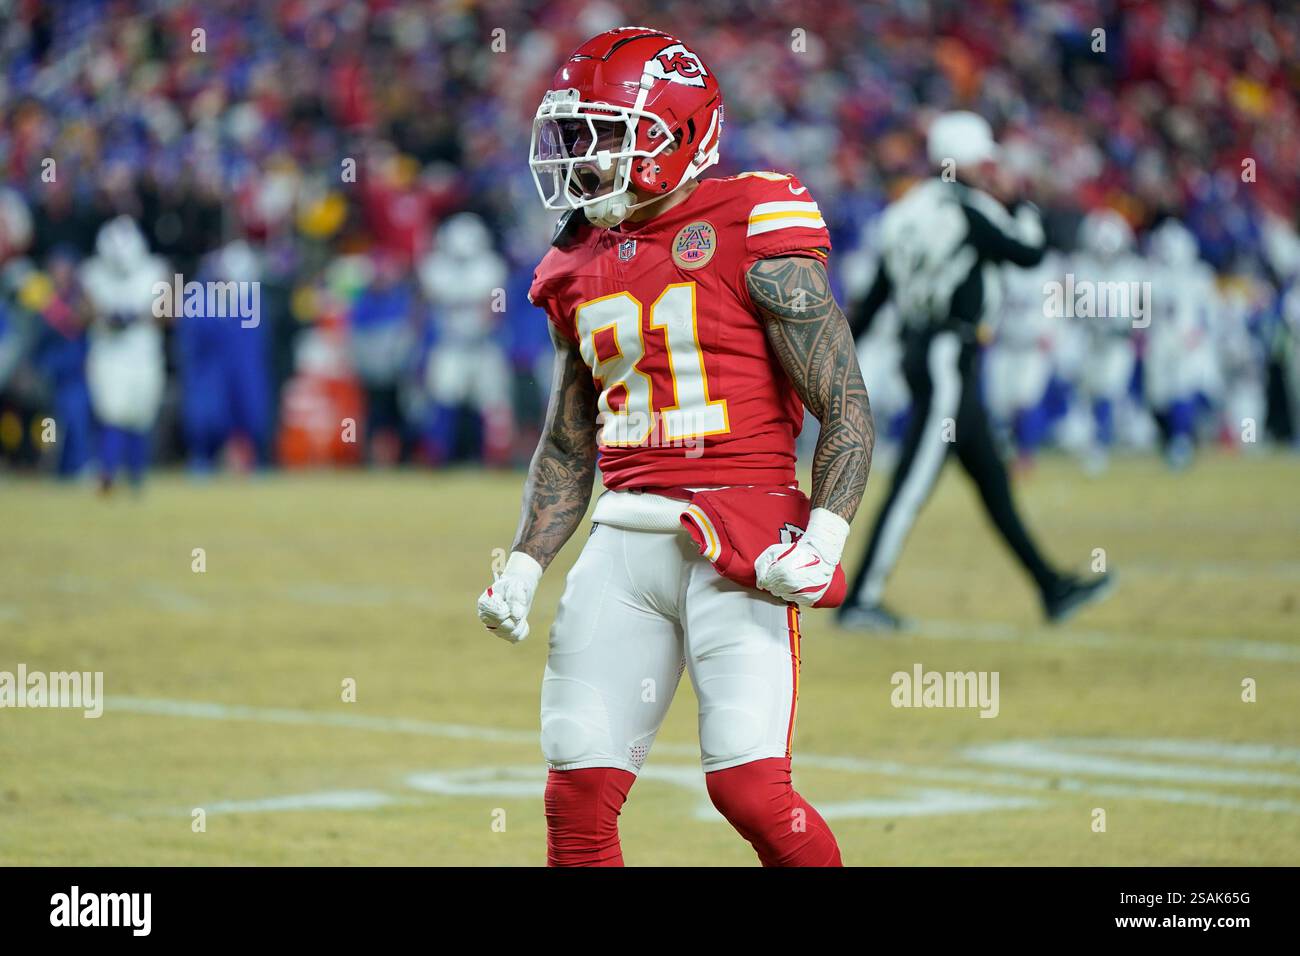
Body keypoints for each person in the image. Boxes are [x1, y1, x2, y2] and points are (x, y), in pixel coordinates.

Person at [474, 27, 874, 867]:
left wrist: (826, 536)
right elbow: (568, 436)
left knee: (750, 790)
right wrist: (524, 562)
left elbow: (843, 403)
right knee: (575, 799)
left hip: (743, 532)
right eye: (575, 135)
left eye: (606, 135)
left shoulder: (751, 219)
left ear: (677, 135)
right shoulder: (575, 258)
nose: (583, 159)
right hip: (624, 537)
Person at [839, 112, 1112, 631]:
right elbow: (1029, 252)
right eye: (982, 160)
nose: (990, 169)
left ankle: (1051, 587)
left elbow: (873, 302)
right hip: (947, 355)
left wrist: (838, 355)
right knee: (912, 483)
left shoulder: (902, 212)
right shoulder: (966, 209)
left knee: (992, 483)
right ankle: (860, 600)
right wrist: (1020, 201)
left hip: (926, 351)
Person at [80, 216, 168, 492]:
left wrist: (138, 316)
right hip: (109, 352)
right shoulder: (92, 272)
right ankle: (107, 473)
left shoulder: (155, 270)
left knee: (141, 413)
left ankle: (137, 478)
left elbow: (169, 311)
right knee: (112, 412)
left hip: (143, 351)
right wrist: (106, 316)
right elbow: (82, 312)